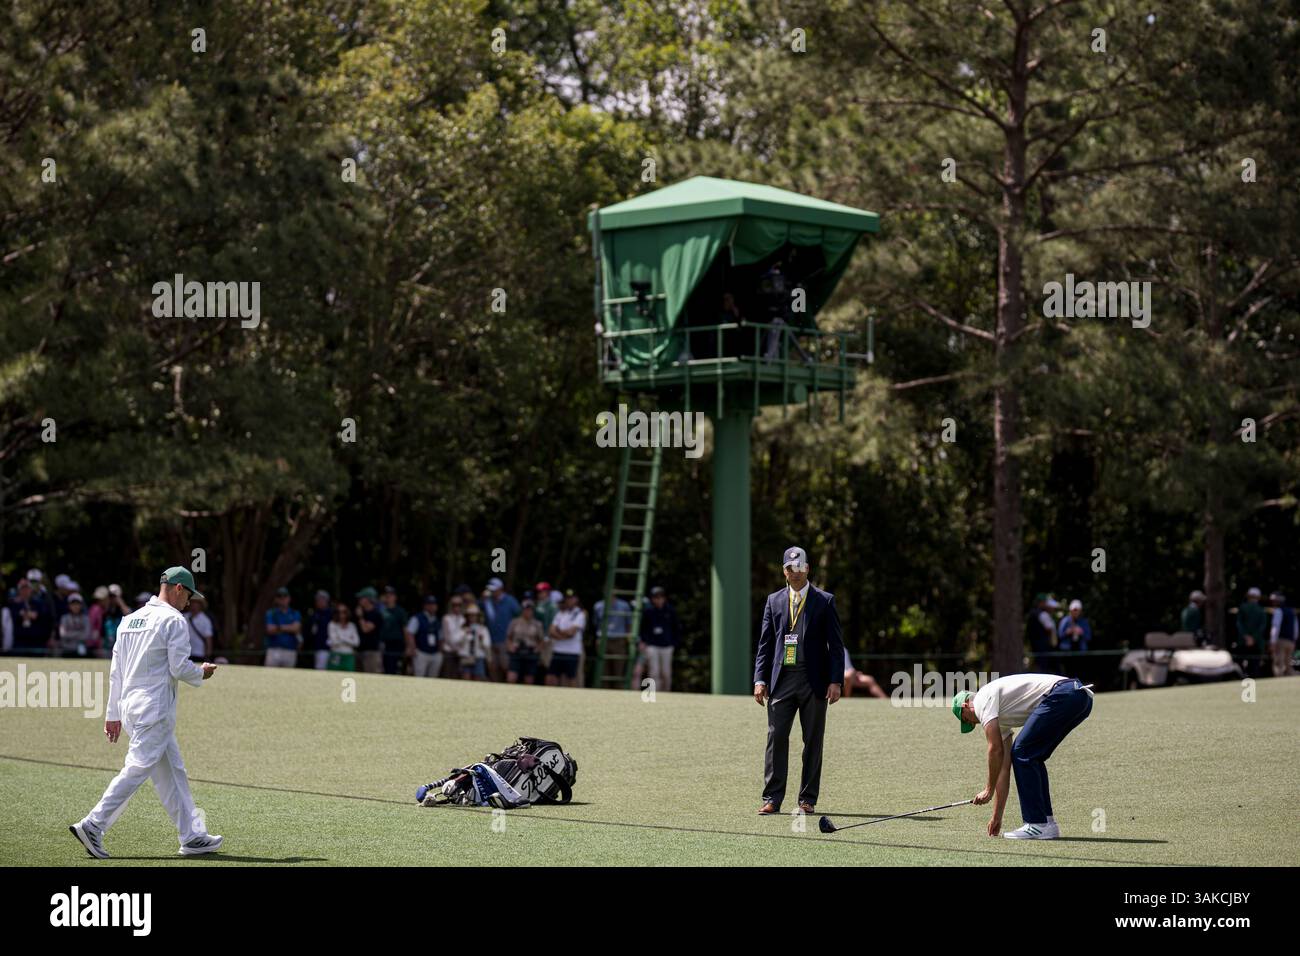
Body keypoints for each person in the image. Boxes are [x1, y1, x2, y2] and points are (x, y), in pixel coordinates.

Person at [69, 567, 222, 859]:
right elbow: (179, 667)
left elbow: (117, 672)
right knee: (138, 768)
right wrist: (201, 672)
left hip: (131, 708)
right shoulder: (174, 620)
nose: (189, 602)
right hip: (156, 709)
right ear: (178, 588)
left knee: (173, 771)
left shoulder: (129, 621)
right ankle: (93, 824)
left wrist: (112, 714)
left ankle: (192, 836)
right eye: (189, 595)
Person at [753, 546, 844, 815]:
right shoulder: (774, 601)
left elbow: (836, 646)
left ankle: (807, 800)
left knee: (813, 740)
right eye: (790, 568)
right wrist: (760, 678)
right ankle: (772, 798)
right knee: (776, 738)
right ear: (784, 570)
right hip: (781, 680)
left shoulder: (825, 601)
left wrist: (835, 681)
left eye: (800, 567)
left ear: (807, 569)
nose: (795, 573)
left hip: (814, 681)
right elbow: (765, 644)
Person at [952, 673, 1094, 840]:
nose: (970, 724)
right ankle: (1047, 823)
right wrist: (997, 816)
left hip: (1064, 694)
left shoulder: (982, 699)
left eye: (965, 719)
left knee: (1023, 752)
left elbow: (994, 749)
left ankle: (1036, 824)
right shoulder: (999, 718)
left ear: (965, 706)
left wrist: (988, 790)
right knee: (1031, 756)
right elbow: (1004, 768)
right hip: (1079, 698)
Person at [639, 586, 681, 692]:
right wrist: (644, 641)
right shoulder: (648, 611)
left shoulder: (670, 610)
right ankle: (653, 694)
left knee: (666, 673)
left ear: (664, 598)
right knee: (654, 672)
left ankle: (666, 693)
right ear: (652, 599)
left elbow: (676, 628)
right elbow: (643, 628)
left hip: (667, 646)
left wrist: (673, 643)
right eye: (655, 597)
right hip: (652, 645)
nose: (658, 599)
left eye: (660, 597)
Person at [484, 578, 520, 682]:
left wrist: (513, 638)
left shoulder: (510, 601)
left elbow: (518, 617)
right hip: (490, 640)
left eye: (494, 590)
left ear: (501, 589)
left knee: (506, 666)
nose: (492, 592)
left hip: (505, 640)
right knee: (492, 667)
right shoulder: (487, 601)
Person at [548, 590, 586, 688]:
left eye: (571, 598)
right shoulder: (560, 613)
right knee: (551, 677)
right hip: (558, 650)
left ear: (576, 599)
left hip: (572, 652)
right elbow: (551, 631)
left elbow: (571, 633)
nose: (569, 601)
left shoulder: (580, 614)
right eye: (567, 598)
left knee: (571, 678)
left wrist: (558, 632)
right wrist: (562, 634)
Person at [595, 592, 633, 683]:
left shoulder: (624, 606)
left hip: (619, 640)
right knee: (603, 672)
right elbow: (597, 624)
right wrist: (598, 639)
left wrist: (627, 639)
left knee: (618, 671)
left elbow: (629, 624)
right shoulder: (598, 606)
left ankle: (618, 693)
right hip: (603, 640)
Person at [506, 600, 544, 684]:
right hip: (517, 651)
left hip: (530, 651)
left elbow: (541, 640)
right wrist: (510, 647)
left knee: (529, 679)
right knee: (511, 677)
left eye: (530, 610)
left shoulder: (537, 624)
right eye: (526, 609)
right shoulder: (514, 622)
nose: (528, 612)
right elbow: (508, 637)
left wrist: (537, 650)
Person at [264, 586, 302, 667]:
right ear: (276, 599)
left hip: (290, 650)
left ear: (289, 598)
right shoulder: (271, 613)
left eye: (285, 596)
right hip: (274, 650)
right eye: (280, 597)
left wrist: (278, 627)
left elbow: (296, 628)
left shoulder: (294, 613)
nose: (282, 599)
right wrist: (289, 627)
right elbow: (270, 629)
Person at [1235, 587, 1268, 675]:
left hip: (1243, 641)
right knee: (1255, 665)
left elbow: (1239, 624)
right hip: (1257, 642)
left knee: (1241, 665)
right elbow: (1262, 627)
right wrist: (1253, 638)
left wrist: (1246, 637)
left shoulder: (1242, 607)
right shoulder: (1261, 610)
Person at [406, 595, 442, 678]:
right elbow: (410, 633)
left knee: (433, 678)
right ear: (425, 606)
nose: (432, 606)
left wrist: (440, 651)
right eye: (430, 604)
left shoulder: (437, 620)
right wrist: (413, 648)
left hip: (435, 653)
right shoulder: (417, 618)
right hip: (421, 652)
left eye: (434, 604)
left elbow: (440, 637)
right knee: (419, 677)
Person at [379, 586, 410, 675]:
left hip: (397, 644)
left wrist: (408, 646)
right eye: (386, 595)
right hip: (383, 644)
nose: (388, 598)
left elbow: (405, 629)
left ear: (395, 597)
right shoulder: (380, 609)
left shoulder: (400, 611)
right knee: (384, 670)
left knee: (396, 670)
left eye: (390, 595)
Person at [1025, 593, 1059, 673]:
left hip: (1036, 646)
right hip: (1043, 648)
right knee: (1045, 669)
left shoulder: (1032, 613)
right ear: (1041, 603)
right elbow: (1049, 628)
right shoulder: (1042, 614)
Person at [354, 587, 384, 674]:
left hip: (371, 652)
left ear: (368, 599)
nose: (359, 600)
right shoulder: (359, 613)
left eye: (362, 597)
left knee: (371, 678)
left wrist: (360, 617)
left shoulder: (376, 614)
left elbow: (365, 629)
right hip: (359, 651)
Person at [532, 582, 557, 682]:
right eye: (538, 591)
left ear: (547, 592)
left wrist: (546, 638)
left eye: (541, 591)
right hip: (537, 639)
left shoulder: (551, 606)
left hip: (547, 639)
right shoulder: (537, 604)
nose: (539, 593)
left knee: (547, 664)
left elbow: (549, 623)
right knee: (538, 665)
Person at [1268, 592, 1297, 678]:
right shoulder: (1292, 612)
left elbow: (1275, 627)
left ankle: (1279, 682)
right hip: (1291, 641)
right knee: (1288, 665)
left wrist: (1272, 641)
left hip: (1280, 640)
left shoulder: (1278, 611)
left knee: (1279, 664)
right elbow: (1296, 628)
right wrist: (1294, 640)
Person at [460, 604, 490, 680]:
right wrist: (464, 634)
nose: (472, 617)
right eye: (470, 615)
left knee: (477, 678)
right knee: (466, 677)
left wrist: (481, 639)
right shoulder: (463, 628)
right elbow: (456, 642)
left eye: (474, 615)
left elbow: (487, 645)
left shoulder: (483, 628)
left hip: (478, 657)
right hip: (466, 656)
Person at [56, 593, 92, 657]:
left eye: (77, 604)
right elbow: (63, 634)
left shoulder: (86, 619)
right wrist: (79, 633)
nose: (75, 606)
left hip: (81, 650)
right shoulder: (64, 618)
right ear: (69, 605)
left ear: (81, 605)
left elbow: (86, 635)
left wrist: (71, 634)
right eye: (73, 604)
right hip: (66, 650)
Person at [327, 602, 360, 671]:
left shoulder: (352, 625)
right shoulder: (332, 624)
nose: (341, 614)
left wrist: (341, 637)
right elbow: (333, 642)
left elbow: (356, 643)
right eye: (339, 611)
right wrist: (349, 639)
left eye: (344, 612)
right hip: (336, 655)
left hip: (349, 656)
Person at [440, 594, 466, 678]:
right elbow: (446, 636)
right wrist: (454, 648)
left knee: (458, 676)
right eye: (454, 605)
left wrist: (460, 648)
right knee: (447, 674)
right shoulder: (446, 618)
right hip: (449, 651)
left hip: (461, 652)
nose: (457, 607)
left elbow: (465, 635)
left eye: (459, 605)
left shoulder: (464, 619)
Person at [306, 590, 332, 670]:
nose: (320, 601)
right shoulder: (314, 614)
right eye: (318, 600)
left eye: (322, 599)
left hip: (332, 648)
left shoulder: (332, 614)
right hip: (318, 648)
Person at [185, 595, 214, 662]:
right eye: (192, 602)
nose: (194, 605)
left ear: (200, 605)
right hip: (185, 652)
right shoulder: (184, 617)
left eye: (196, 603)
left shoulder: (205, 620)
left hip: (199, 653)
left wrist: (208, 654)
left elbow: (208, 638)